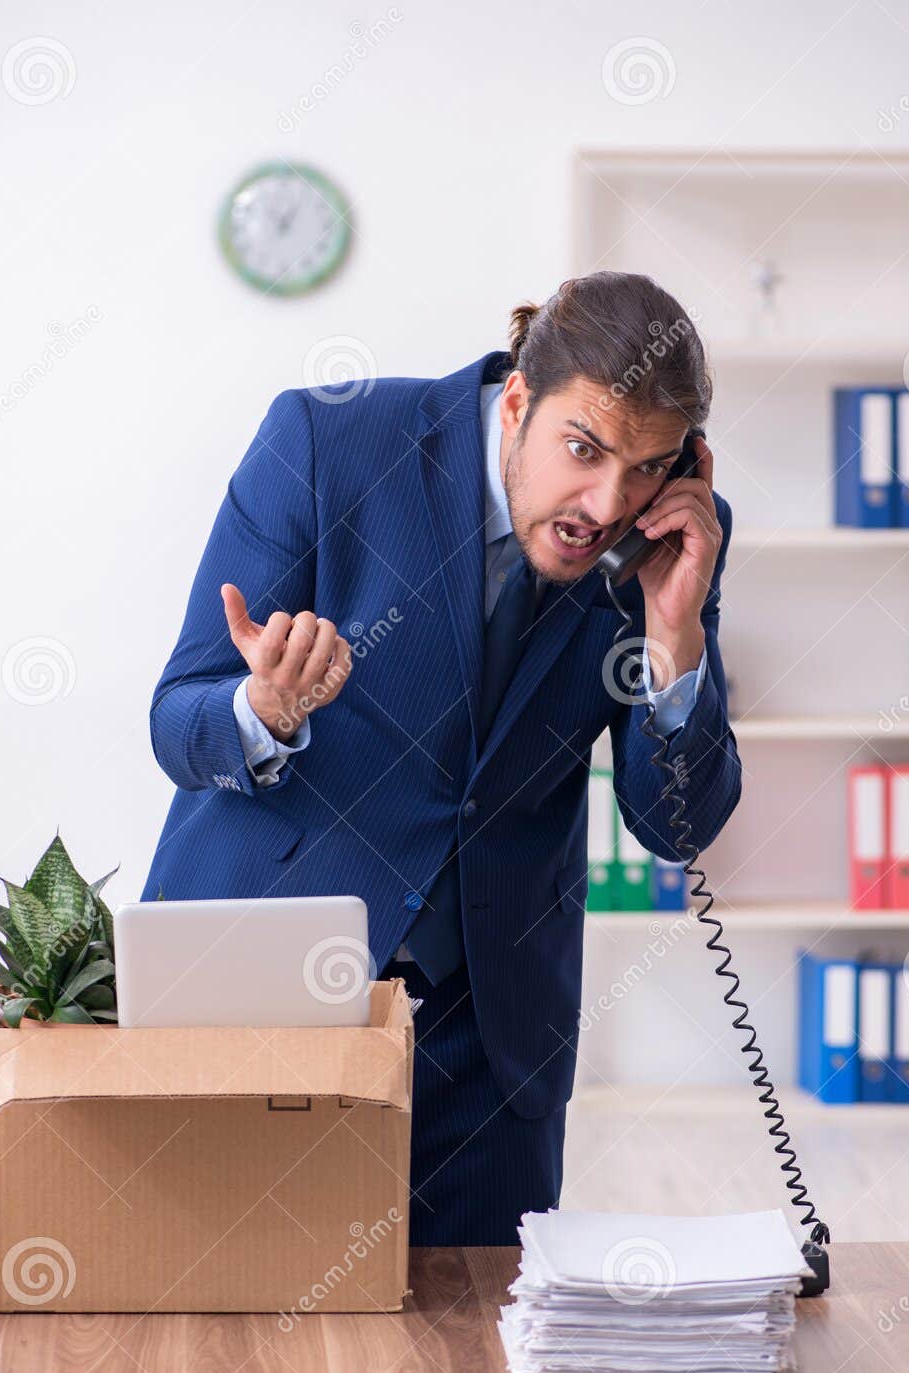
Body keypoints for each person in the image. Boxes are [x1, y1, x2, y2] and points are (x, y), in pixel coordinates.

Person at [142, 270, 741, 1244]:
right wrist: (264, 706)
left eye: (645, 469)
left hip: (491, 1046)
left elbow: (675, 822)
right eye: (583, 450)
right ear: (517, 399)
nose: (606, 504)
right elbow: (178, 723)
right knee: (239, 1363)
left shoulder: (670, 547)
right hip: (268, 1002)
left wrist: (674, 642)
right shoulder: (327, 445)